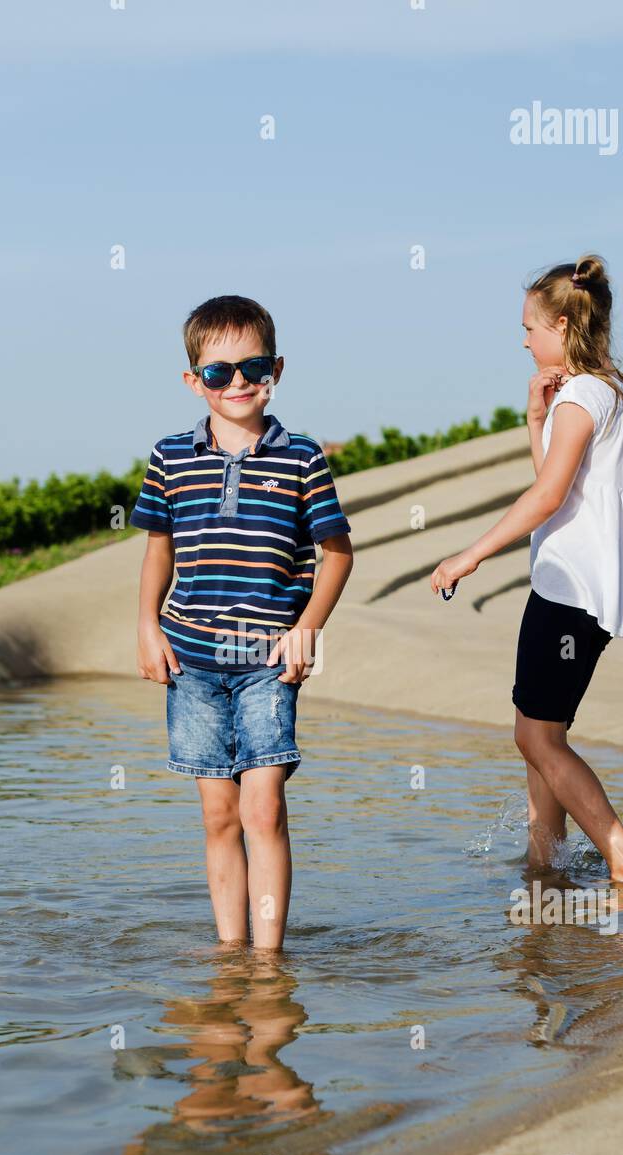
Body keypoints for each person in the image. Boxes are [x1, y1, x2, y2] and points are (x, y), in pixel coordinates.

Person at [130, 294, 354, 948]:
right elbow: (157, 549)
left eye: (252, 368)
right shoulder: (170, 456)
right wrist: (146, 624)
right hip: (191, 661)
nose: (237, 384)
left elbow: (335, 553)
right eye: (217, 372)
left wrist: (306, 627)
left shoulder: (301, 456)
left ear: (275, 367)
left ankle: (267, 961)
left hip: (266, 663)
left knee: (263, 808)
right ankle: (230, 955)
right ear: (191, 380)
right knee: (219, 817)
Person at [431, 255, 623, 887]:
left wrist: (469, 554)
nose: (524, 341)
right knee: (543, 735)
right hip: (592, 593)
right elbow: (561, 487)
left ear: (561, 325)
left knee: (537, 740)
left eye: (529, 328)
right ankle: (547, 867)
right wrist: (536, 420)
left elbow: (547, 496)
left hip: (568, 591)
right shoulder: (615, 392)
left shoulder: (584, 396)